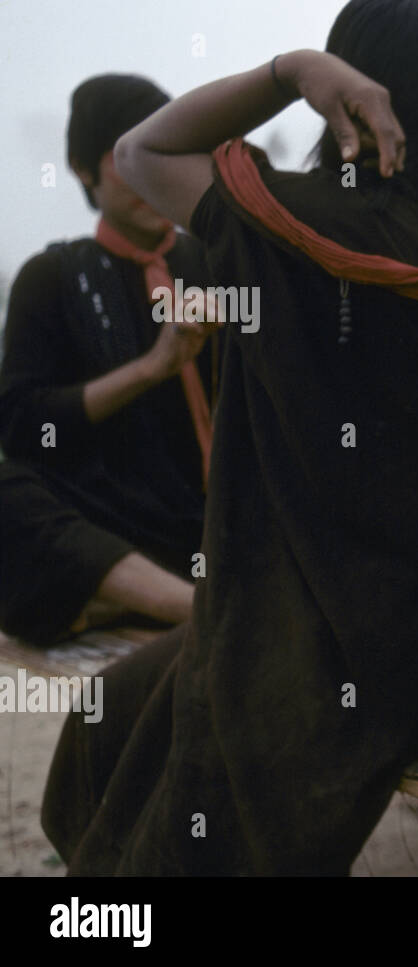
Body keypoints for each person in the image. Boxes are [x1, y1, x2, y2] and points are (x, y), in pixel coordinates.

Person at [42, 0, 418, 874]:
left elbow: (141, 150)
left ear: (350, 99)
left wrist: (289, 72)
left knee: (164, 778)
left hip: (293, 623)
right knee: (119, 707)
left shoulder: (277, 223)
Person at [0, 74, 215, 646]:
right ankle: (197, 609)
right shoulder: (53, 277)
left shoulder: (218, 261)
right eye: (124, 156)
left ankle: (127, 601)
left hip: (228, 515)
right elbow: (24, 426)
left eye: (159, 153)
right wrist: (151, 367)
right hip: (120, 528)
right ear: (81, 169)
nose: (148, 176)